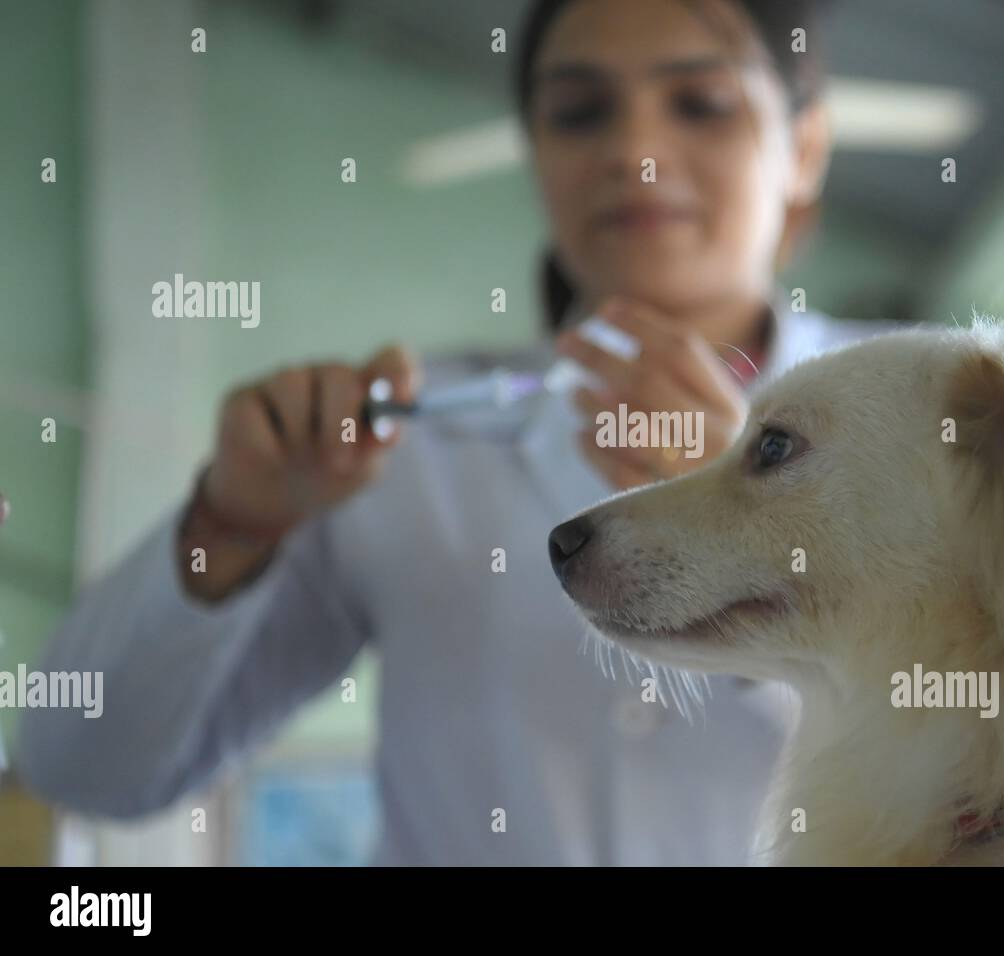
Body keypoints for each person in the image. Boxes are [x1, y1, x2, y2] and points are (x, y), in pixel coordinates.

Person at [17, 0, 889, 864]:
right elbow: (79, 767)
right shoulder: (402, 439)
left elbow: (1001, 768)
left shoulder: (928, 421)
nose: (635, 154)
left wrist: (751, 521)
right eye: (580, 111)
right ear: (535, 150)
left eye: (701, 102)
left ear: (805, 147)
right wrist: (227, 529)